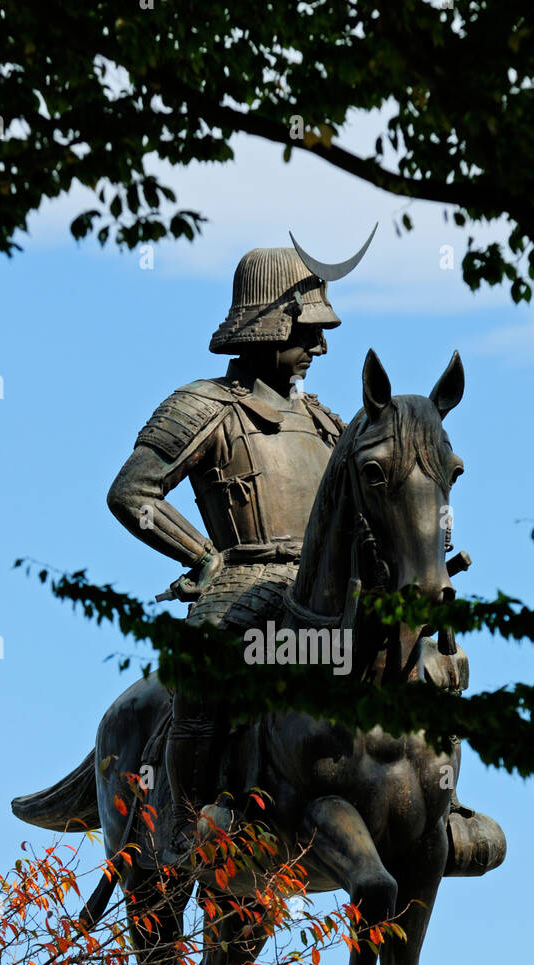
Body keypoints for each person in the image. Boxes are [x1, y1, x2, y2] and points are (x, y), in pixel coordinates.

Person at [107, 247, 344, 853]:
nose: (319, 349)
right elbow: (133, 492)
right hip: (244, 585)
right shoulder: (203, 406)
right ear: (270, 326)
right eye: (308, 333)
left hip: (326, 592)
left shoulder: (328, 424)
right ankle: (184, 820)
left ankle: (430, 803)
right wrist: (204, 558)